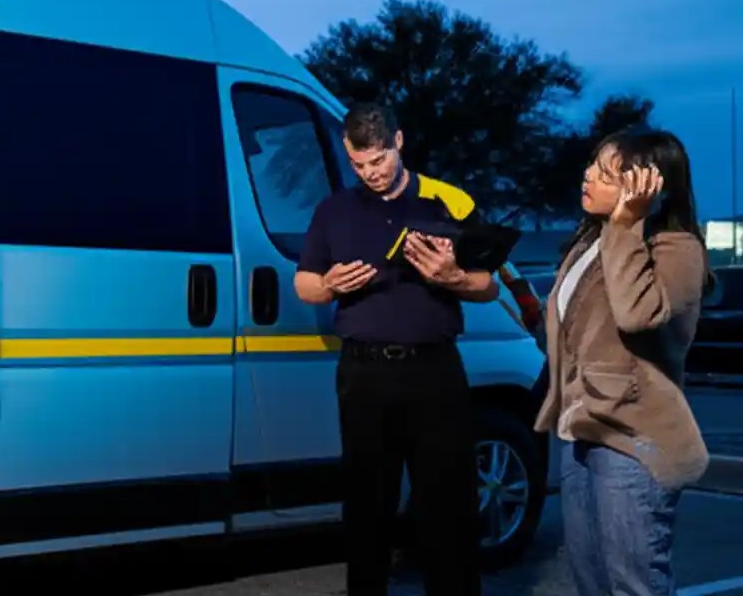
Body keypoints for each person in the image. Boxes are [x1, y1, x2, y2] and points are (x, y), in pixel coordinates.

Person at [294, 102, 498, 596]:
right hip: (363, 374)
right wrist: (328, 284)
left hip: (435, 372)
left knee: (447, 505)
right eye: (359, 165)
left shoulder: (446, 202)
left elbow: (489, 284)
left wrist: (453, 278)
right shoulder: (333, 211)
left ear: (398, 142)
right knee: (367, 505)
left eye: (378, 161)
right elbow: (303, 282)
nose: (371, 174)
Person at [533, 127, 711, 596]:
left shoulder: (676, 248)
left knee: (633, 585)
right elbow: (560, 334)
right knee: (590, 582)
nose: (587, 176)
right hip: (582, 431)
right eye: (593, 164)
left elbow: (635, 314)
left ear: (646, 186)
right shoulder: (587, 245)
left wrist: (628, 223)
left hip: (634, 441)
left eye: (606, 173)